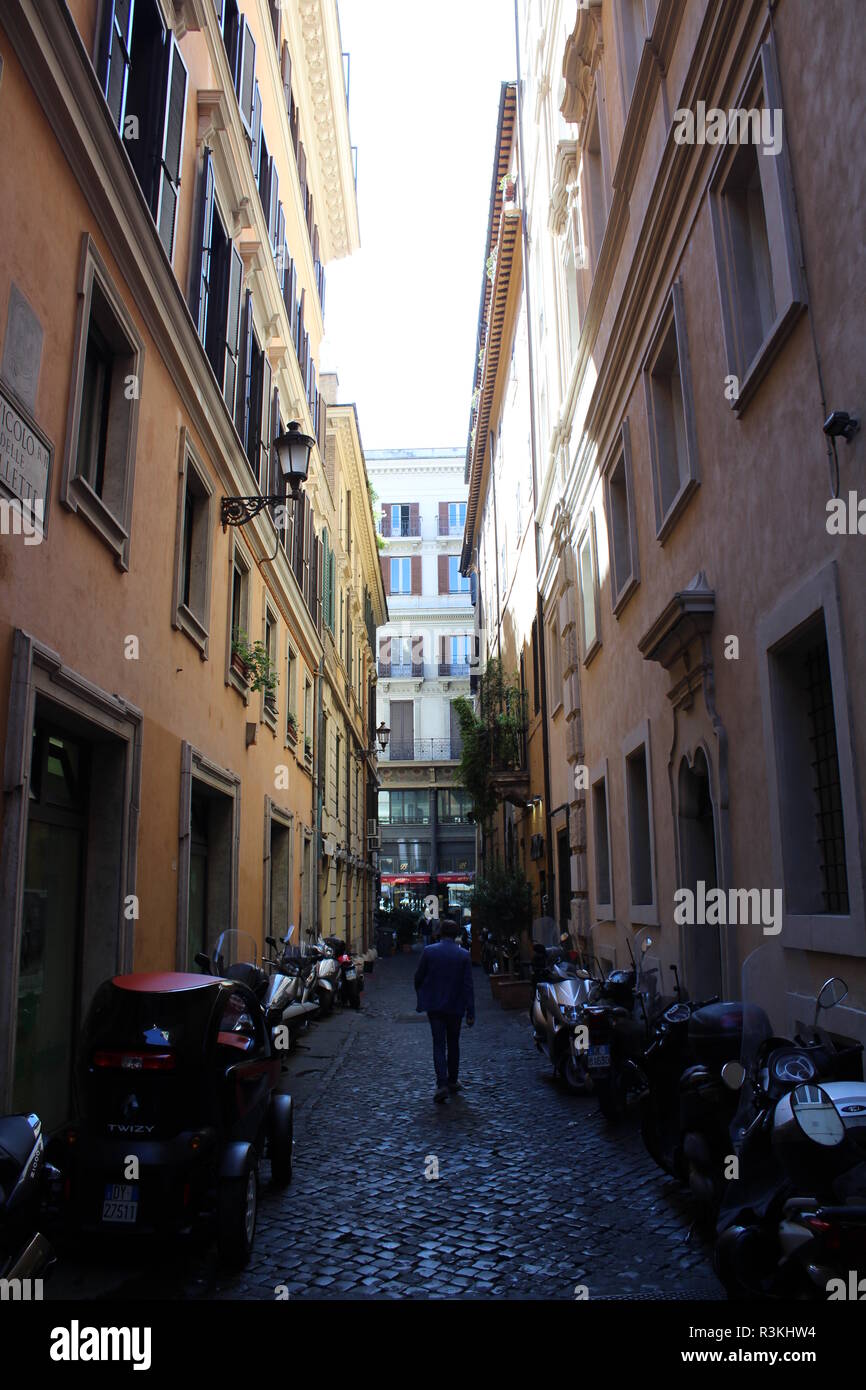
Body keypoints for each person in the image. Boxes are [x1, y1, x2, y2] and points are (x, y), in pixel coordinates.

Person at [414, 918, 475, 1103]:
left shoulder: (429, 951)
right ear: (456, 934)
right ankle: (452, 1080)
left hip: (435, 1005)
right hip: (455, 1006)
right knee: (454, 1042)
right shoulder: (463, 955)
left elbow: (418, 977)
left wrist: (421, 993)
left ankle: (441, 1084)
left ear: (440, 933)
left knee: (439, 1044)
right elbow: (468, 986)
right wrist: (471, 1012)